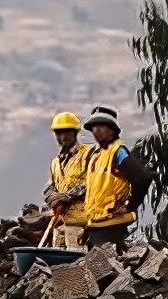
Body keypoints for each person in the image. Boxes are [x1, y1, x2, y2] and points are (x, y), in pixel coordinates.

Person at [82, 105, 152, 251]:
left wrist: (130, 206)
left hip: (112, 225)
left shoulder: (118, 151)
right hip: (95, 224)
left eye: (101, 125)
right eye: (94, 127)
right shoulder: (96, 155)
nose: (96, 130)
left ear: (112, 128)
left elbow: (142, 178)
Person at [42, 111, 93, 250]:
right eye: (59, 133)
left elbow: (94, 181)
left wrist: (67, 196)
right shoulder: (55, 162)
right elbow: (51, 186)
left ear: (75, 133)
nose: (63, 137)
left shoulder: (88, 153)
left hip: (84, 224)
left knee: (79, 266)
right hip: (62, 224)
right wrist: (51, 197)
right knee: (59, 268)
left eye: (67, 132)